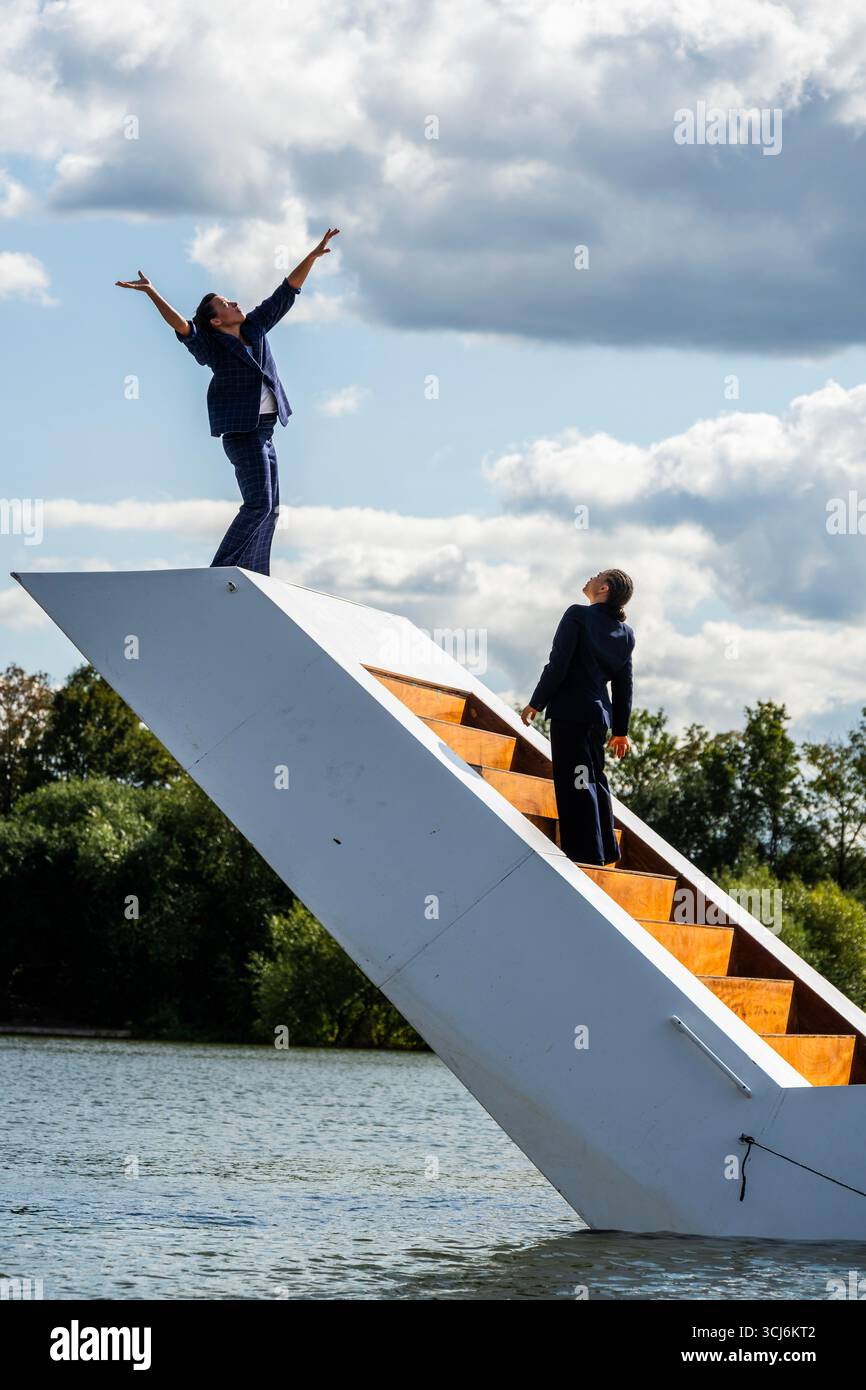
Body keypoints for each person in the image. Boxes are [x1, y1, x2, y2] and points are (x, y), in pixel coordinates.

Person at [115, 228, 340, 576]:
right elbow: (183, 327)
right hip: (242, 435)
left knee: (271, 510)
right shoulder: (212, 347)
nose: (234, 303)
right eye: (224, 304)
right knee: (258, 504)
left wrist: (311, 257)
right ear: (216, 321)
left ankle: (254, 575)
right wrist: (152, 293)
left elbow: (287, 291)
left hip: (266, 433)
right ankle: (219, 572)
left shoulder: (255, 327)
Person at [521, 569, 635, 866]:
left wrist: (536, 702)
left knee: (576, 783)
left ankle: (586, 855)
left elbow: (558, 664)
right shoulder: (625, 633)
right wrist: (620, 730)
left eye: (597, 575)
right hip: (598, 718)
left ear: (604, 588)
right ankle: (605, 849)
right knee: (594, 779)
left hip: (571, 713)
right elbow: (623, 686)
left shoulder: (577, 615)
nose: (590, 578)